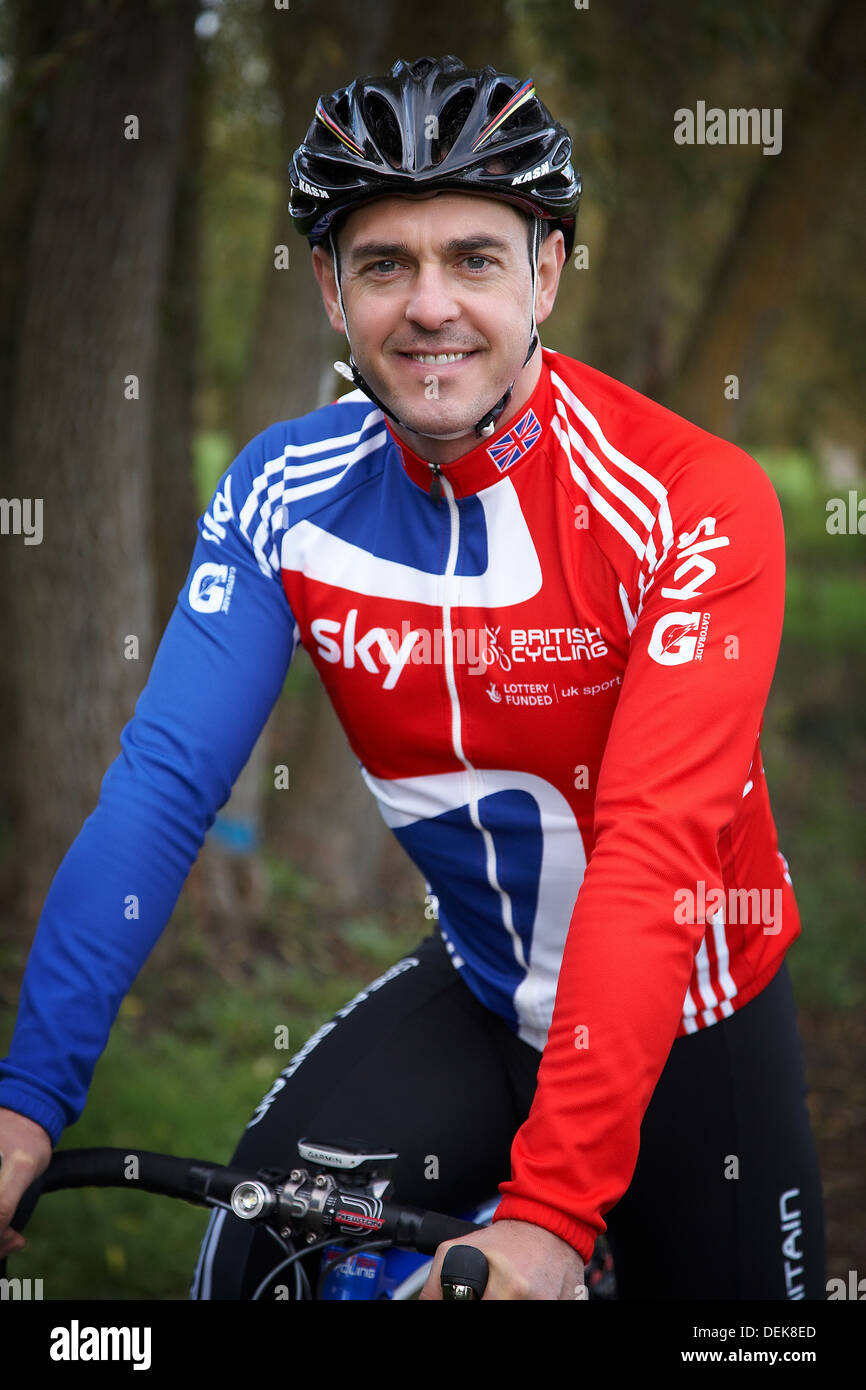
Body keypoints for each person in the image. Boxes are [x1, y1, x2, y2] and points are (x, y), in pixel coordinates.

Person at [0, 55, 825, 1301]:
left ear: (544, 273)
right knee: (254, 1265)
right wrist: (24, 1102)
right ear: (331, 292)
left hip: (691, 1024)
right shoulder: (282, 491)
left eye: (473, 259)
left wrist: (549, 1216)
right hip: (483, 989)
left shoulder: (690, 503)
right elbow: (162, 789)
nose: (428, 305)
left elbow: (652, 852)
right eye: (384, 263)